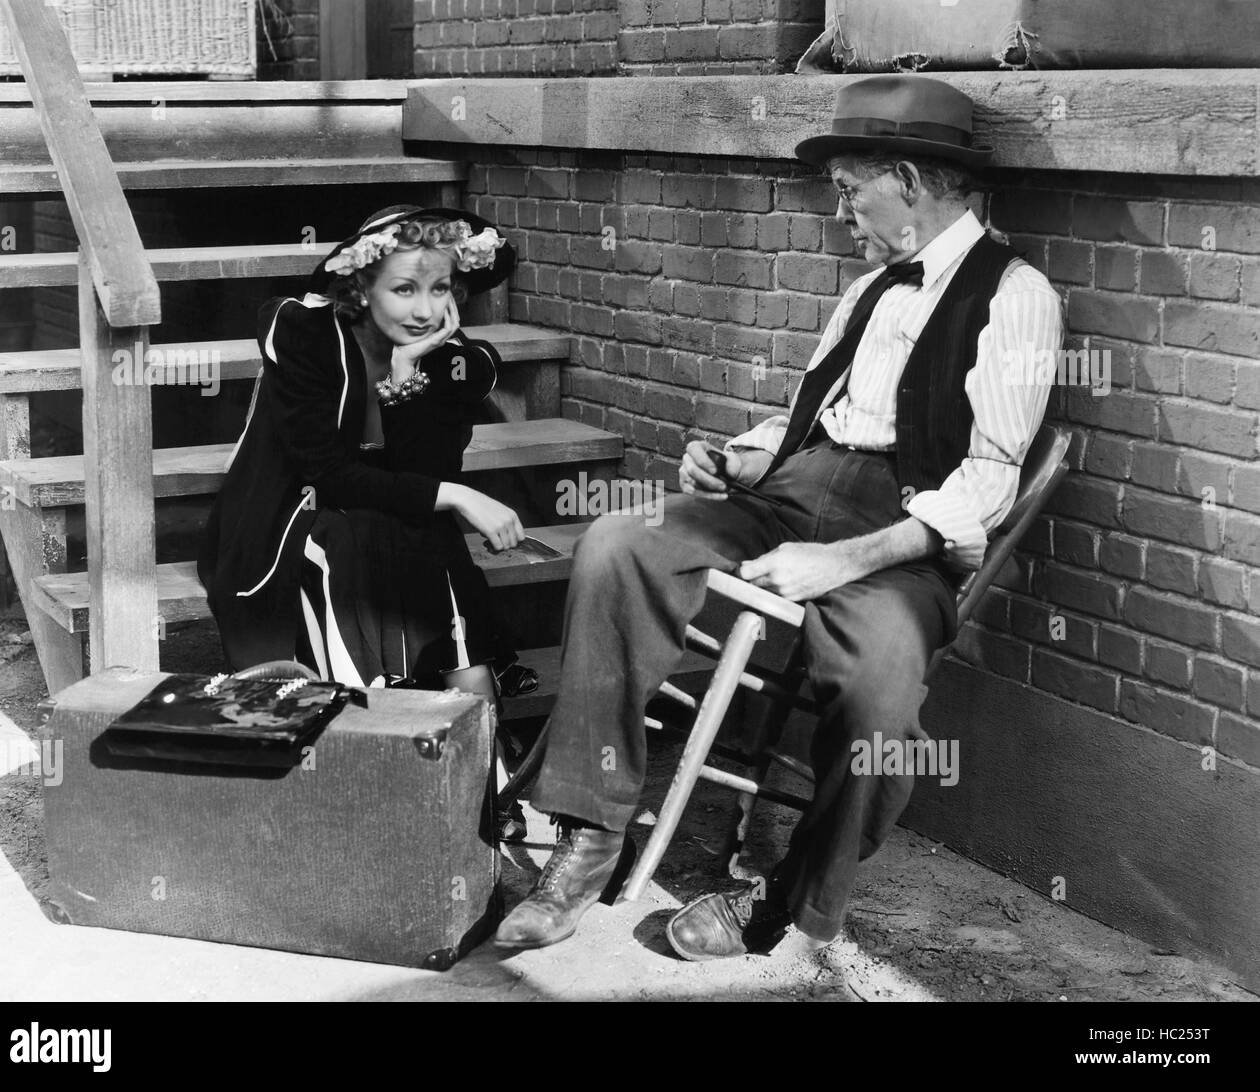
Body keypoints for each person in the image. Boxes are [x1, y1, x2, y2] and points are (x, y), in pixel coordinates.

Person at [493, 75, 1065, 957]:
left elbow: (988, 478)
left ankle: (781, 899)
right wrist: (745, 452)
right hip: (794, 491)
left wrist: (842, 564)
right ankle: (590, 830)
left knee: (881, 701)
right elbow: (820, 412)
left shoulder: (1018, 297)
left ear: (909, 182)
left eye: (850, 190)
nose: (840, 211)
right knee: (618, 541)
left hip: (904, 532)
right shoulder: (870, 287)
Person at [198, 205, 538, 832]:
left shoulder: (450, 359)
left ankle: (484, 778)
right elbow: (325, 474)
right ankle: (365, 746)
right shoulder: (308, 335)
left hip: (383, 515)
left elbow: (423, 470)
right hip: (289, 518)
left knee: (426, 538)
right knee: (351, 539)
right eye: (404, 289)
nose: (424, 309)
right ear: (362, 287)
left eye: (440, 289)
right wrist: (460, 498)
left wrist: (409, 377)